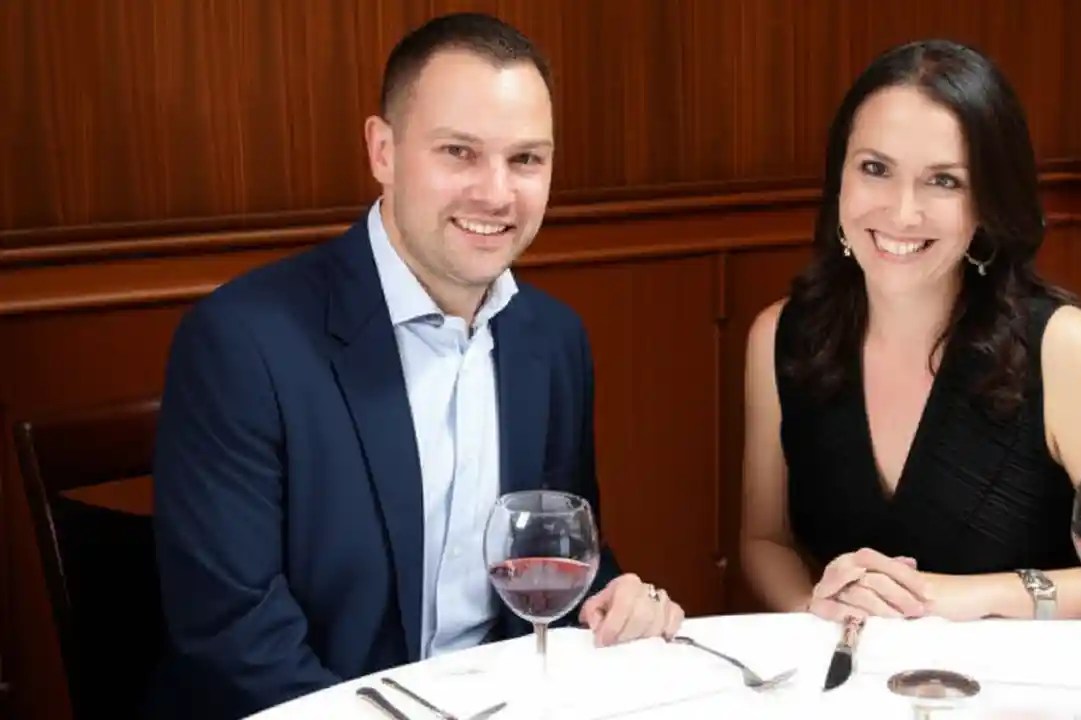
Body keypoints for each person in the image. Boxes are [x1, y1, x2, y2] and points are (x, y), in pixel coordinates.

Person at [147, 13, 683, 719]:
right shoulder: (242, 341)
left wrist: (617, 605)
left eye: (526, 159)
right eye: (459, 152)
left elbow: (551, 562)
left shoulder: (552, 341)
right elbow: (233, 635)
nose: (496, 193)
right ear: (383, 151)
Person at [739, 39, 1081, 627]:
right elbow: (765, 542)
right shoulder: (780, 336)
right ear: (839, 181)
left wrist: (957, 598)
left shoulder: (1064, 346)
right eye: (875, 169)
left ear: (986, 201)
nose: (902, 213)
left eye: (945, 182)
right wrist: (816, 612)